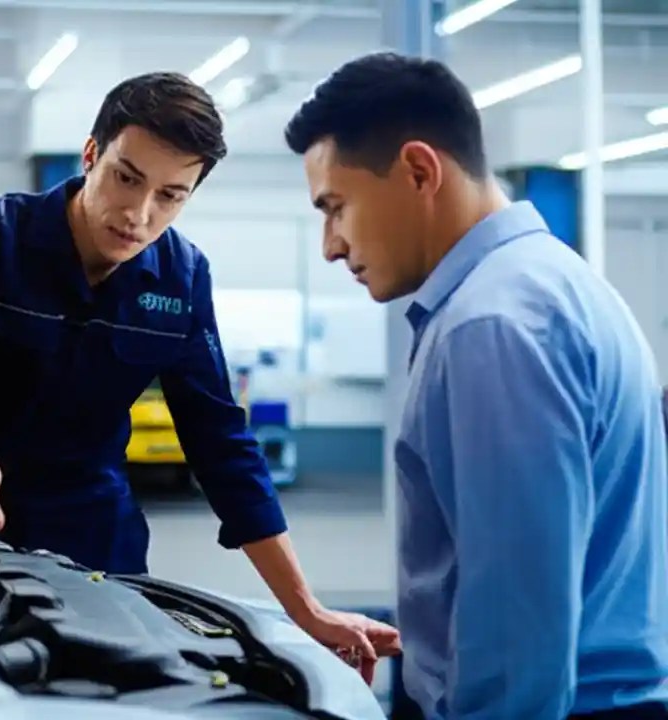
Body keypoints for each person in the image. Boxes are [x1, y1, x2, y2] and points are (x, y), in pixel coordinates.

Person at [0, 70, 400, 681]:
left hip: (101, 546)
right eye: (127, 178)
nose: (139, 214)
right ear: (91, 154)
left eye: (171, 195)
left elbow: (221, 443)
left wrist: (306, 611)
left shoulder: (181, 278)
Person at [283, 52, 668, 718]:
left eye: (335, 207)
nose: (330, 245)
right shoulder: (552, 284)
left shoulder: (490, 327)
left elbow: (517, 642)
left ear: (418, 171)